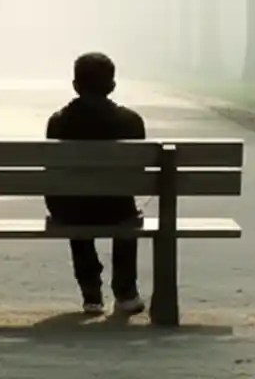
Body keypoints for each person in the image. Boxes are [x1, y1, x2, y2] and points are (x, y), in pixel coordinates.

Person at [44, 52, 147, 316]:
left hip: (71, 211)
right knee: (126, 213)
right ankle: (126, 293)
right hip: (117, 209)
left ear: (75, 85)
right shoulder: (131, 122)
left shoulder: (58, 122)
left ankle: (91, 293)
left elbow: (54, 175)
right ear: (112, 86)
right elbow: (138, 173)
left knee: (73, 199)